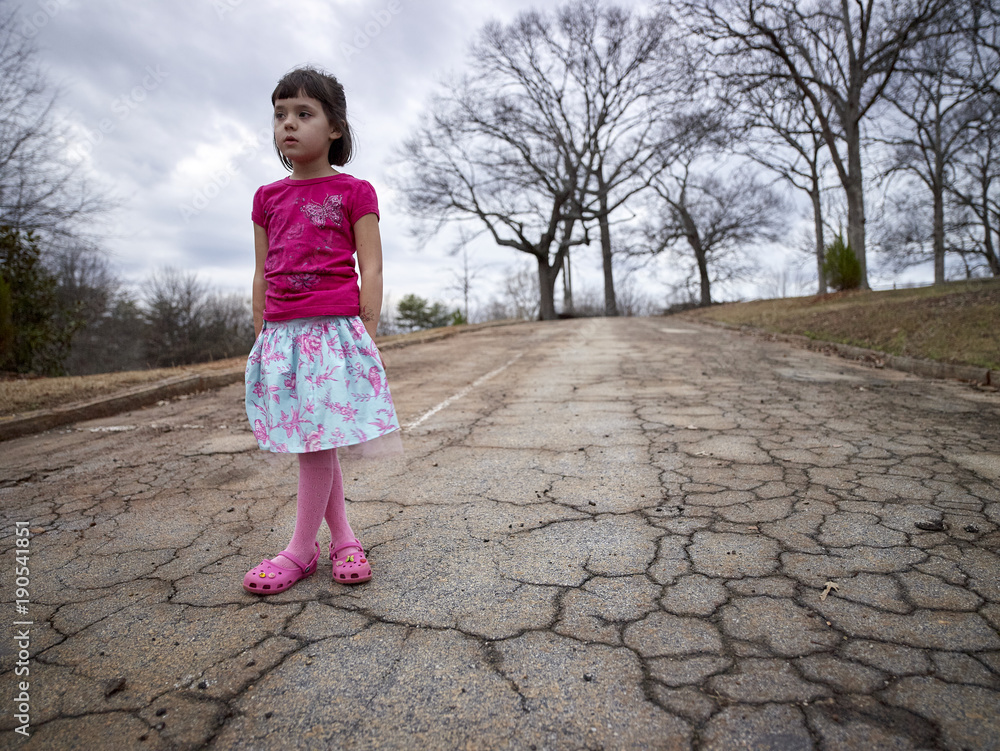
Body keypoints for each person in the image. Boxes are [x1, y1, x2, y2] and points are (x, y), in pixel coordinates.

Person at [243, 66, 400, 595]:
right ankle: (345, 539)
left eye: (303, 114)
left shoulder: (354, 191)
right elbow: (263, 269)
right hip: (283, 337)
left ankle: (299, 551)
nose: (288, 124)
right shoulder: (267, 197)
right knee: (317, 438)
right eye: (280, 114)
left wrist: (368, 329)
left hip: (334, 333)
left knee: (315, 441)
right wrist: (262, 330)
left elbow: (372, 267)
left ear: (334, 127)